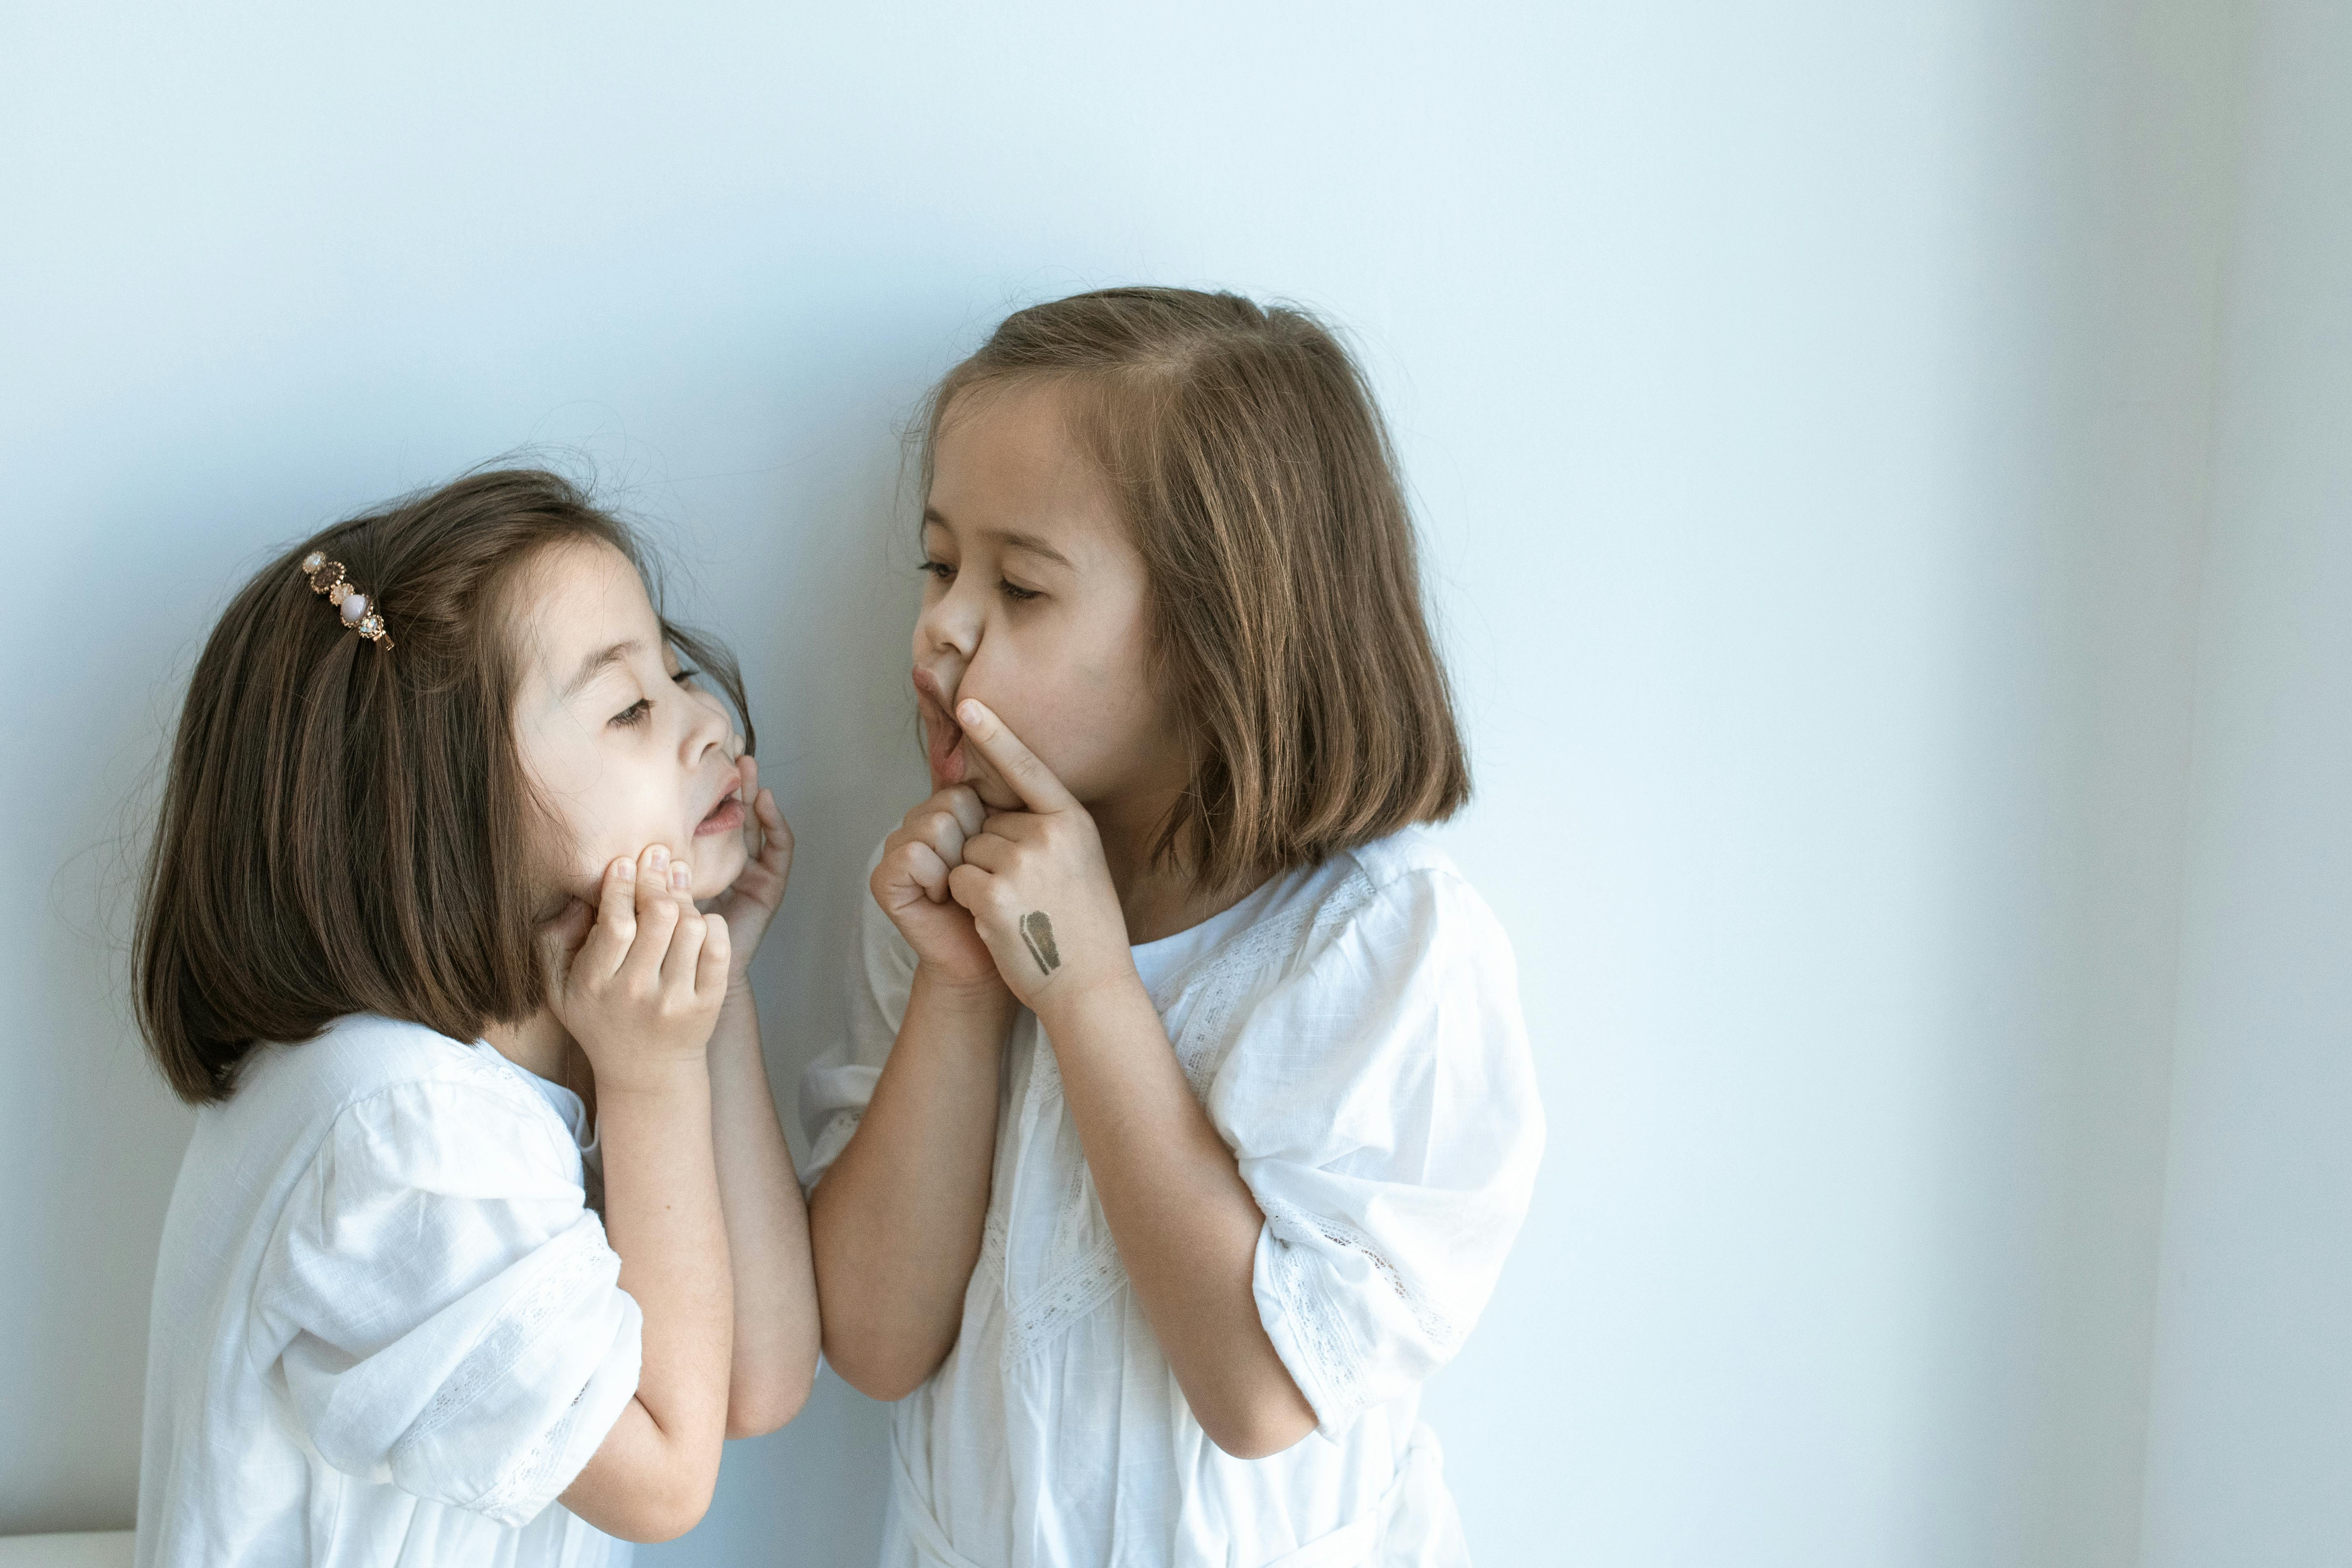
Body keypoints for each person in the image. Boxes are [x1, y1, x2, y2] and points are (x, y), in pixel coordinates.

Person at [803, 287, 1546, 1566]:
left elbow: (1259, 1390)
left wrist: (1084, 988)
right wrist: (962, 990)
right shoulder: (944, 894)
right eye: (939, 564)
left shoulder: (1378, 951)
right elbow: (873, 1340)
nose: (942, 625)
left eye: (1019, 586)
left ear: (1216, 637)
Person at [131, 469, 817, 1566]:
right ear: (444, 811)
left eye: (679, 672)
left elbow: (759, 1378)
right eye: (631, 707)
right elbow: (668, 1477)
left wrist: (707, 984)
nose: (708, 724)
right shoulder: (399, 1133)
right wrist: (655, 1079)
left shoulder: (558, 1054)